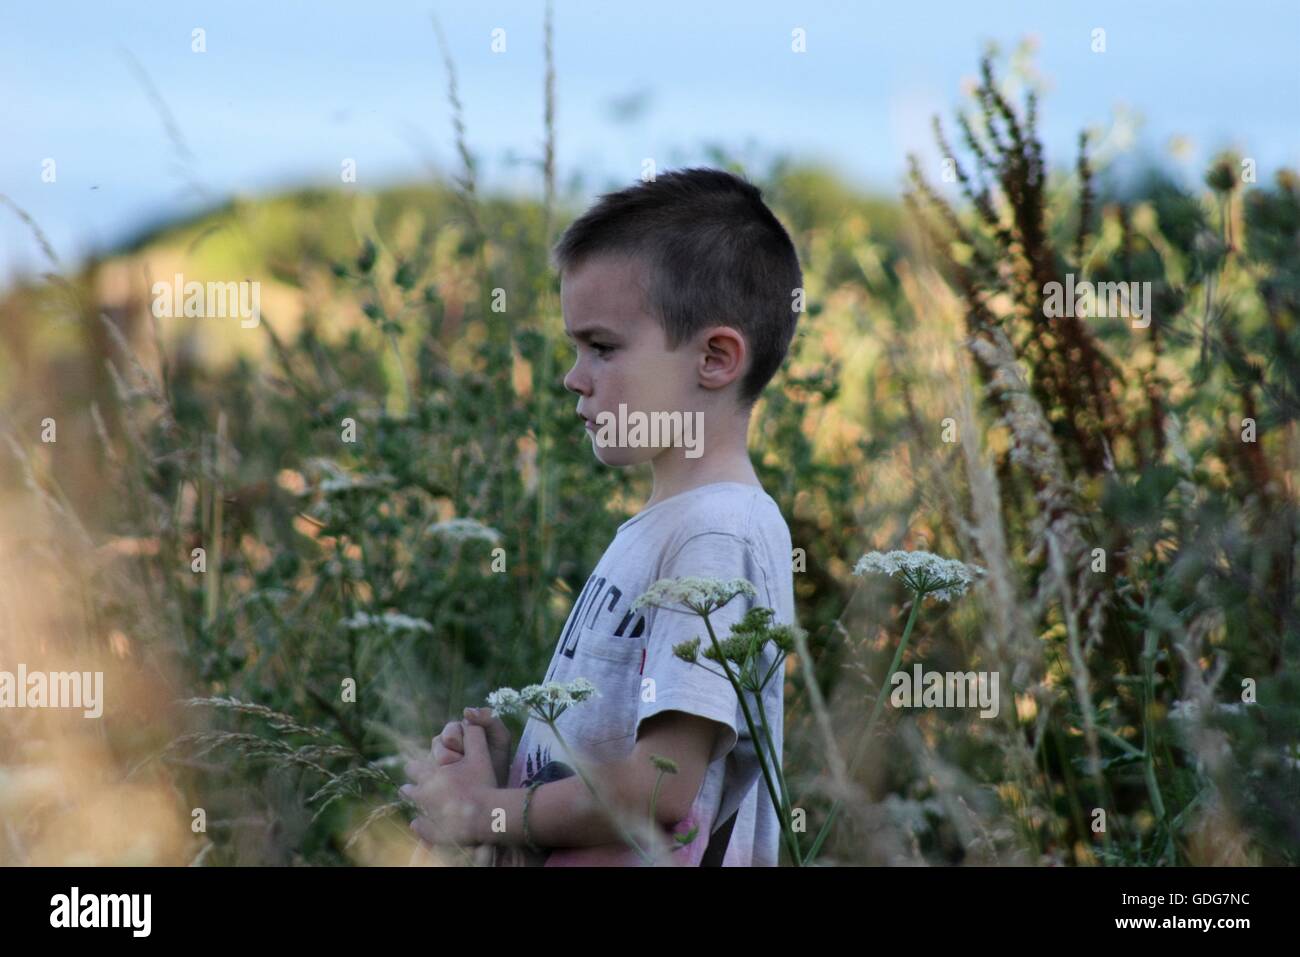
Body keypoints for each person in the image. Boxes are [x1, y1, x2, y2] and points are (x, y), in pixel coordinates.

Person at [402, 167, 801, 866]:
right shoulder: (666, 527)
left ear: (715, 358)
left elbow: (662, 790)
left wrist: (485, 812)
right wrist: (524, 761)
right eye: (575, 348)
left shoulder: (716, 534)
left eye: (603, 347)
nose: (573, 377)